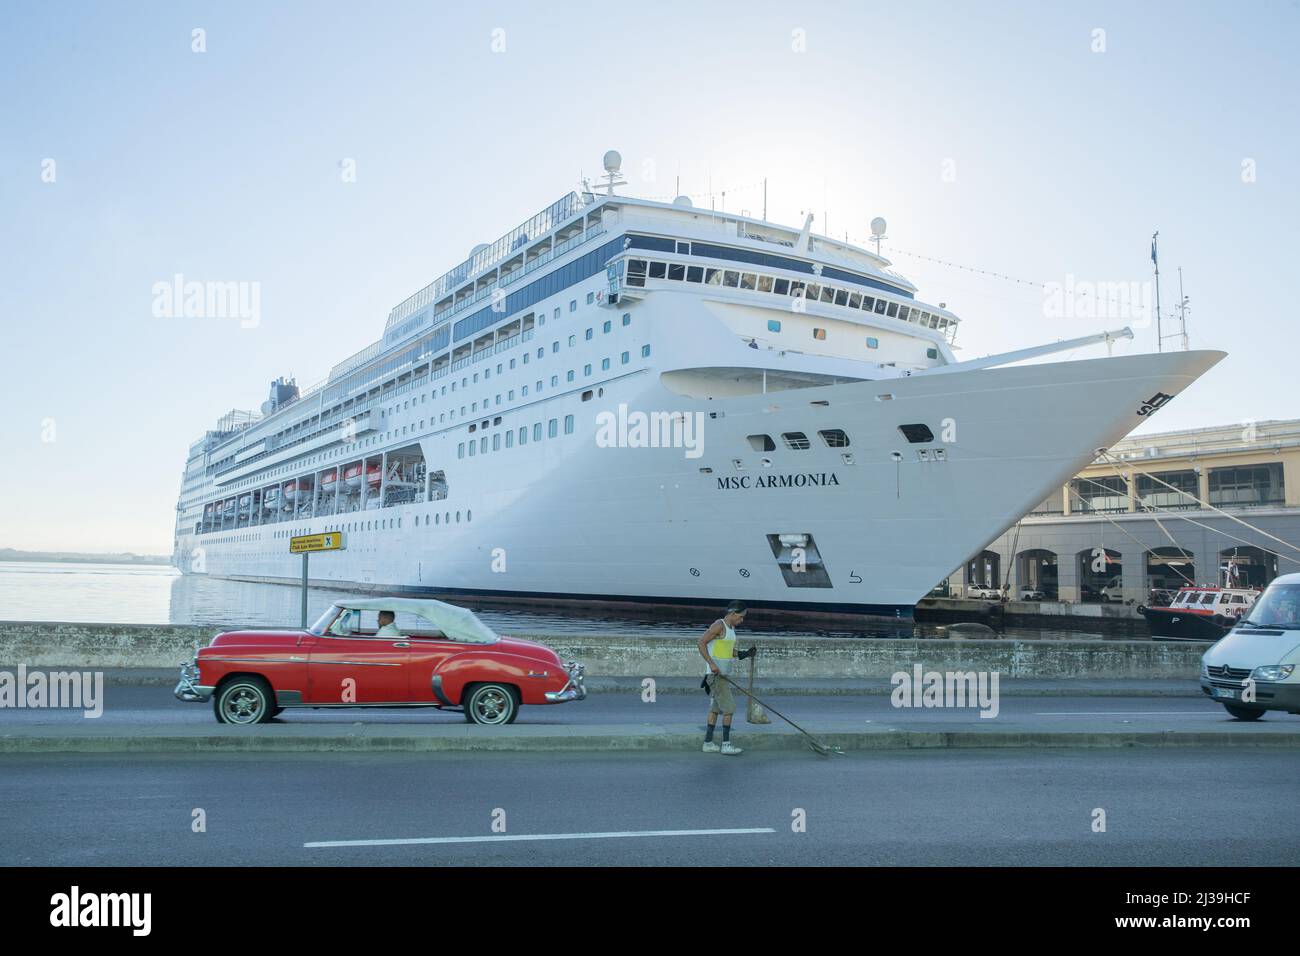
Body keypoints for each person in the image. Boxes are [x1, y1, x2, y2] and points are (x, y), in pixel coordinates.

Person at [698, 601, 748, 755]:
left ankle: (708, 743)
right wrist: (711, 664)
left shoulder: (731, 629)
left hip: (724, 675)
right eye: (740, 617)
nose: (742, 620)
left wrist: (742, 654)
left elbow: (727, 650)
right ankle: (726, 745)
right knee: (729, 708)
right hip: (715, 675)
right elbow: (701, 643)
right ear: (733, 614)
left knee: (715, 709)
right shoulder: (719, 625)